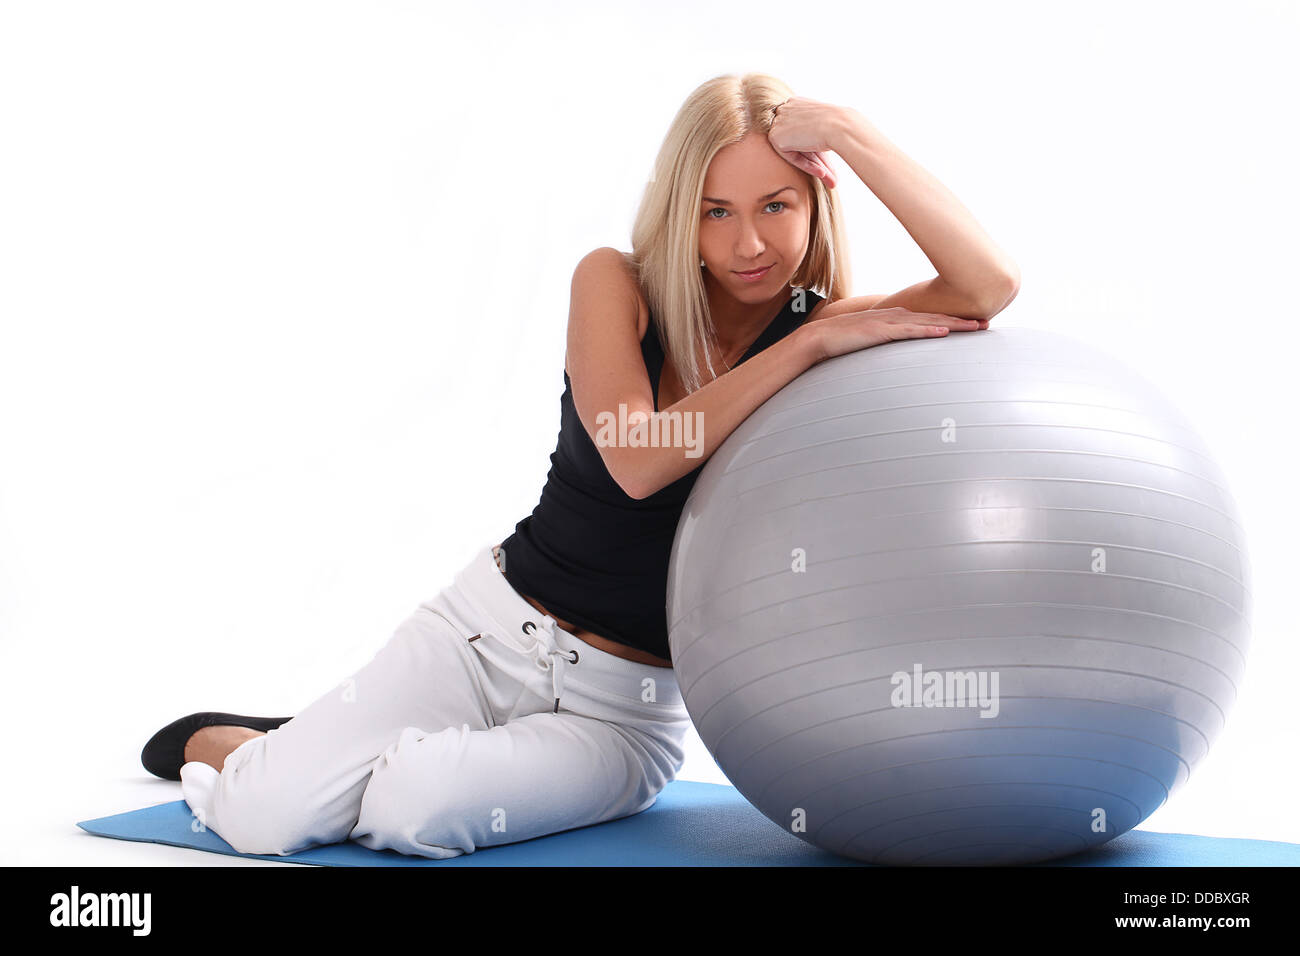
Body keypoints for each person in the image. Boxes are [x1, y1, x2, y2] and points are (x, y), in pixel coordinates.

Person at [140, 72, 1018, 859]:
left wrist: (852, 131)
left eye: (776, 206)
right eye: (716, 211)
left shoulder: (822, 324)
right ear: (682, 212)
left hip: (622, 710)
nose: (748, 243)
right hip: (487, 631)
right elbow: (639, 458)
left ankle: (326, 754)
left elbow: (987, 285)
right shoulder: (618, 282)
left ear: (817, 203)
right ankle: (260, 753)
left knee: (414, 808)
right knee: (261, 822)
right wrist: (811, 346)